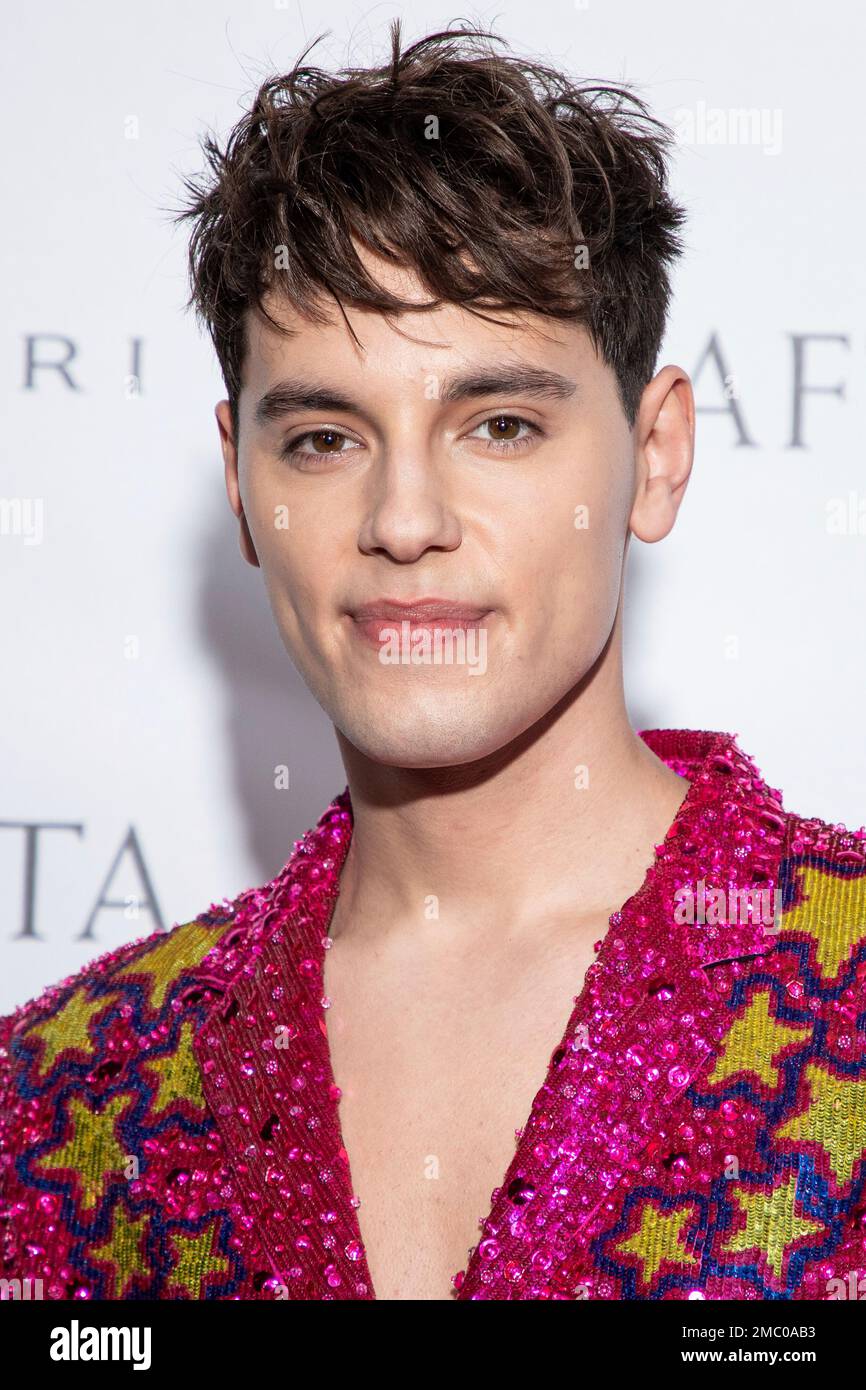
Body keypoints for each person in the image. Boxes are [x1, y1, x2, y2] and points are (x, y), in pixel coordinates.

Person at [2, 23, 865, 1303]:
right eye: (323, 440)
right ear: (240, 484)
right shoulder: (62, 1098)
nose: (404, 519)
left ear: (657, 453)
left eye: (498, 424)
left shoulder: (841, 981)